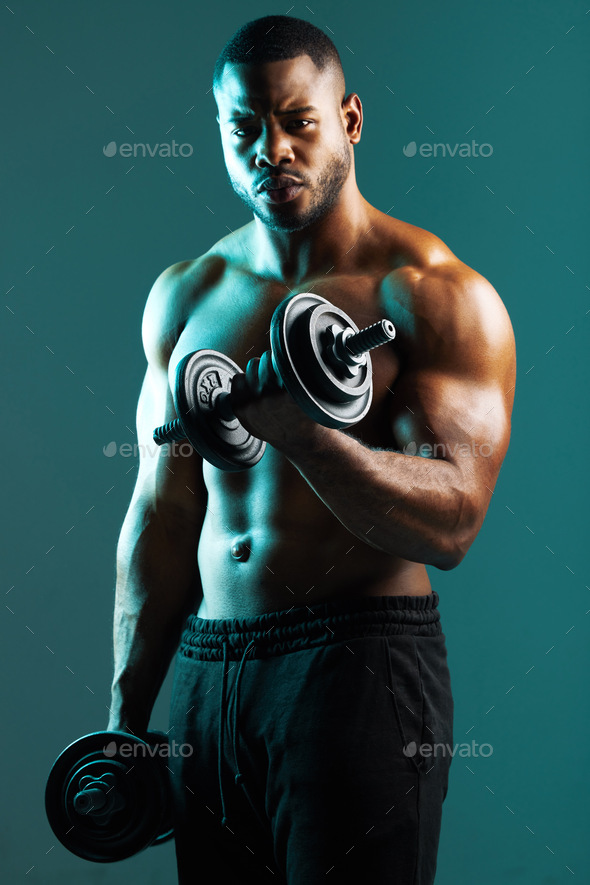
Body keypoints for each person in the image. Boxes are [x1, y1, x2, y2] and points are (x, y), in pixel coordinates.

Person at [107, 14, 515, 884]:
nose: (273, 149)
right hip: (209, 674)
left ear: (351, 121)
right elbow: (164, 508)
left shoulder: (431, 294)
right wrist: (125, 712)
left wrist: (306, 438)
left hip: (356, 665)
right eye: (245, 128)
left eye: (300, 121)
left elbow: (453, 522)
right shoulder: (186, 296)